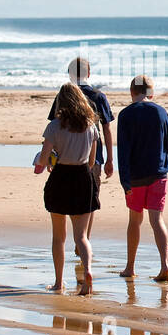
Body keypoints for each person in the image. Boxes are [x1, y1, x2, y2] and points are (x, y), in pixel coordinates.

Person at [35, 83, 101, 295]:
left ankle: (58, 281)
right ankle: (88, 271)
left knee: (58, 237)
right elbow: (92, 161)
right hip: (83, 177)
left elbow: (44, 159)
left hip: (61, 177)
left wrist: (50, 161)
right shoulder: (91, 126)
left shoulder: (54, 126)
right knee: (82, 236)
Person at [116, 75, 168, 282]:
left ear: (131, 92)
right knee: (157, 219)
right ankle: (164, 263)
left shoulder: (125, 115)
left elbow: (122, 151)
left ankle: (130, 267)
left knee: (135, 220)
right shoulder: (160, 112)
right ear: (151, 93)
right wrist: (164, 165)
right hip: (158, 173)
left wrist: (125, 180)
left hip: (135, 176)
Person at [48, 57, 114, 237]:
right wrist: (109, 158)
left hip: (64, 158)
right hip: (94, 157)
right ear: (89, 73)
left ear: (70, 74)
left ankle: (78, 238)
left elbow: (53, 128)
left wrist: (50, 157)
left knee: (64, 198)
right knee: (90, 199)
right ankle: (84, 238)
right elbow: (107, 129)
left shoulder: (63, 96)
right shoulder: (98, 96)